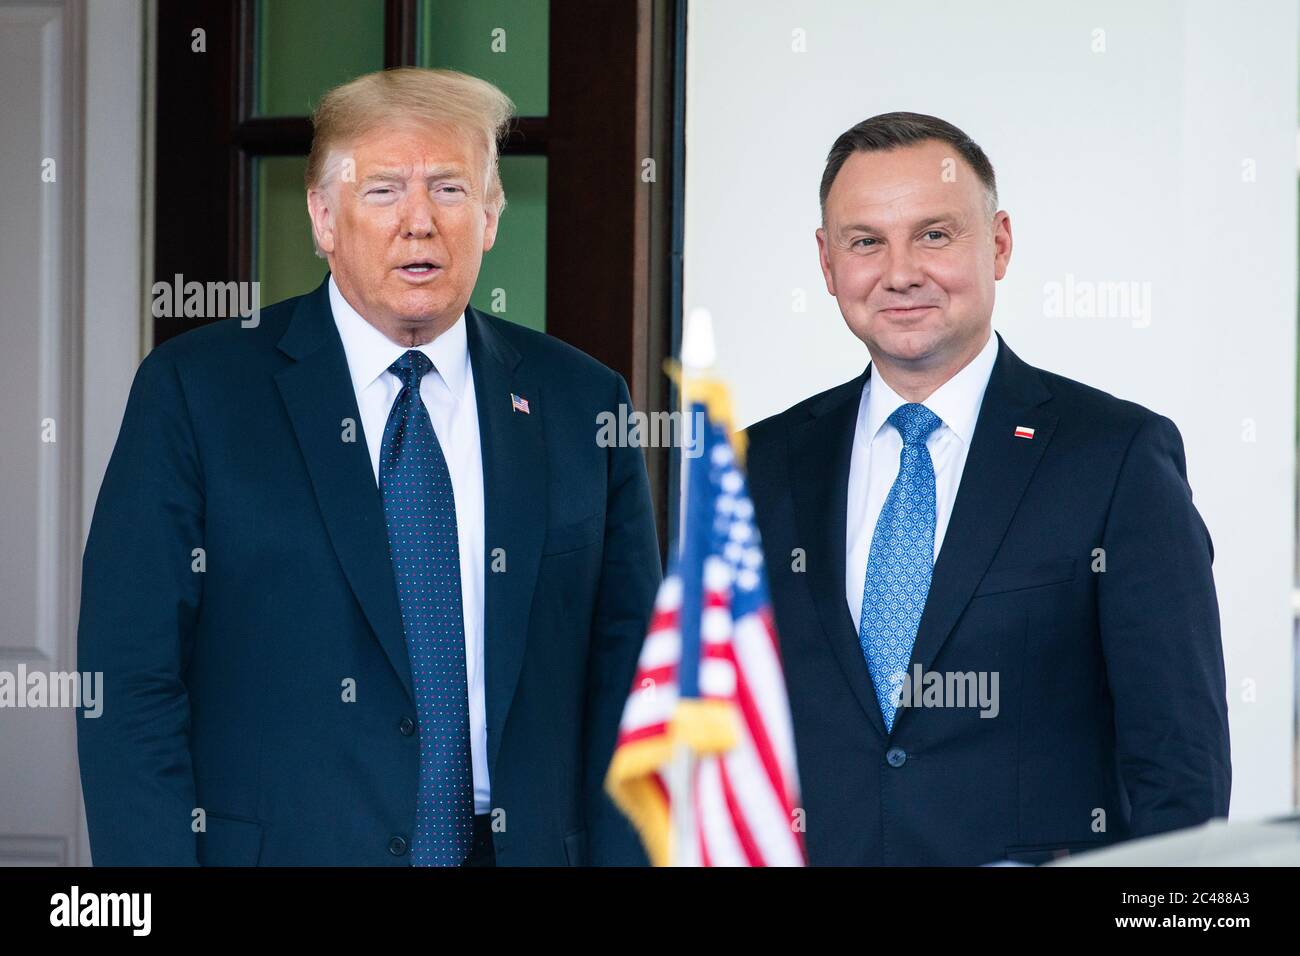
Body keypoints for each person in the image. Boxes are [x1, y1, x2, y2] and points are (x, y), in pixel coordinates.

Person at [76, 68, 659, 866]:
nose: (419, 223)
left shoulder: (583, 400)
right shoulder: (196, 392)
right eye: (383, 190)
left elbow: (633, 686)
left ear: (490, 217)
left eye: (451, 189)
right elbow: (130, 681)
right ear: (323, 215)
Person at [745, 111, 1231, 866]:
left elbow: (1179, 764)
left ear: (999, 244)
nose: (900, 271)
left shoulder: (1116, 456)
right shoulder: (763, 461)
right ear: (827, 261)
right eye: (865, 240)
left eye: (935, 234)